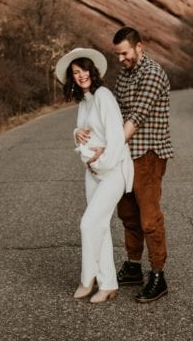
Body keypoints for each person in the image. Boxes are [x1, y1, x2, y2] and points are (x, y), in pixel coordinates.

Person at [78, 27, 173, 303]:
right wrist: (87, 137)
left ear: (139, 47)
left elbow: (134, 119)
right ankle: (133, 267)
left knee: (149, 218)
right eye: (117, 55)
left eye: (124, 53)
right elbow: (112, 117)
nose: (120, 59)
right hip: (125, 155)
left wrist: (108, 149)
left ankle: (158, 275)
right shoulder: (124, 75)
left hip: (148, 154)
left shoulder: (152, 74)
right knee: (128, 214)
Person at [56, 47, 133, 304]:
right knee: (100, 227)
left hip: (113, 171)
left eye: (85, 70)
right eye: (76, 72)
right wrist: (75, 133)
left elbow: (116, 137)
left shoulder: (103, 96)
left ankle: (86, 279)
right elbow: (84, 130)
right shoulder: (85, 100)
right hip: (93, 173)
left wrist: (101, 160)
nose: (81, 75)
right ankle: (108, 283)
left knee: (88, 224)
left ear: (93, 71)